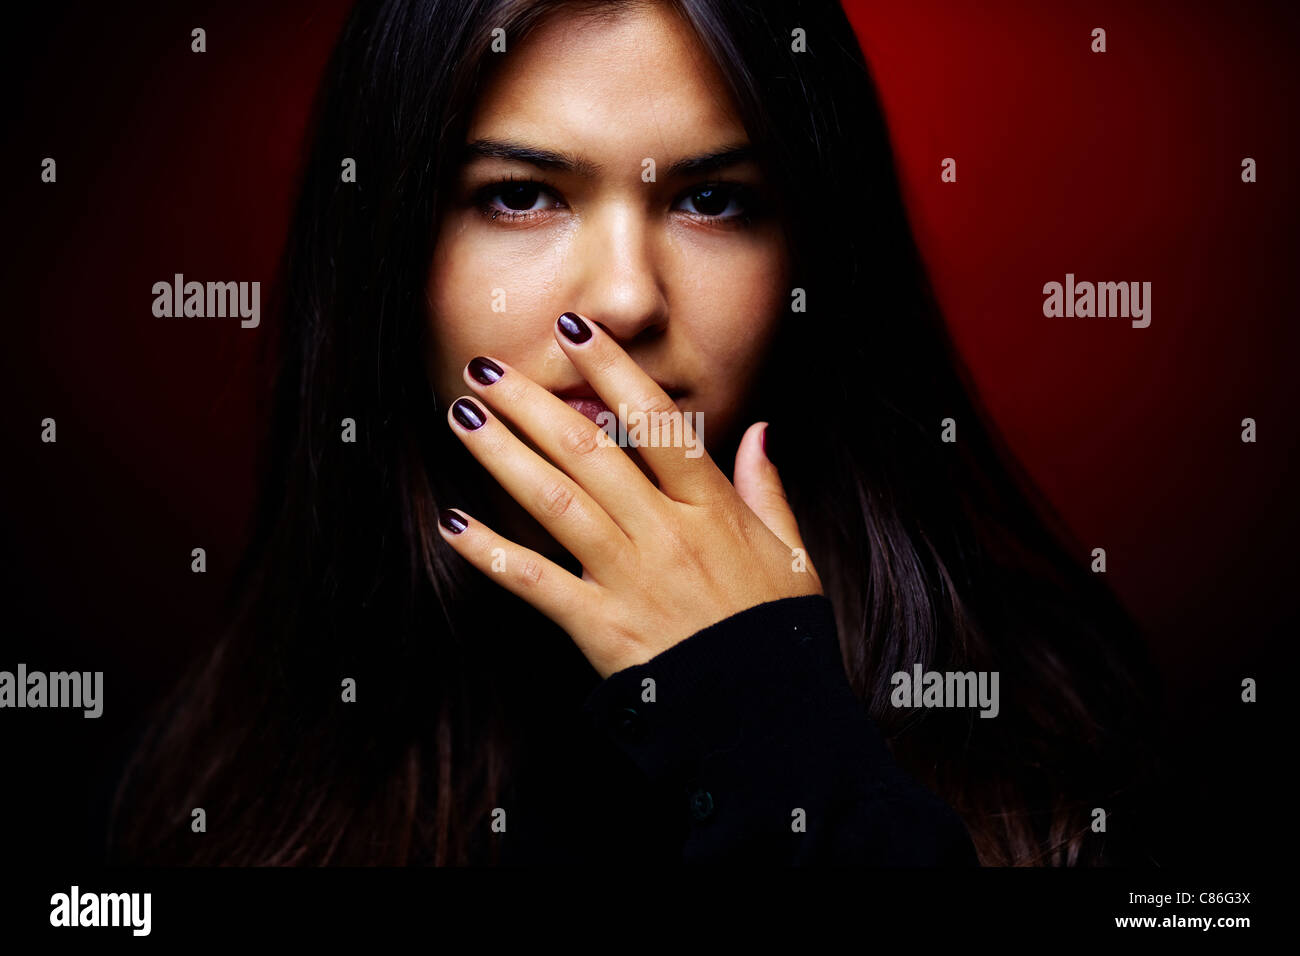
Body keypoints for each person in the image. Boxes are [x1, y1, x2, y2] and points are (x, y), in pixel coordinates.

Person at [107, 0, 1160, 867]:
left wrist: (768, 730)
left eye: (711, 198)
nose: (622, 297)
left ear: (813, 261)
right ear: (388, 250)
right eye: (519, 195)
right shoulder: (222, 770)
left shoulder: (1053, 729)